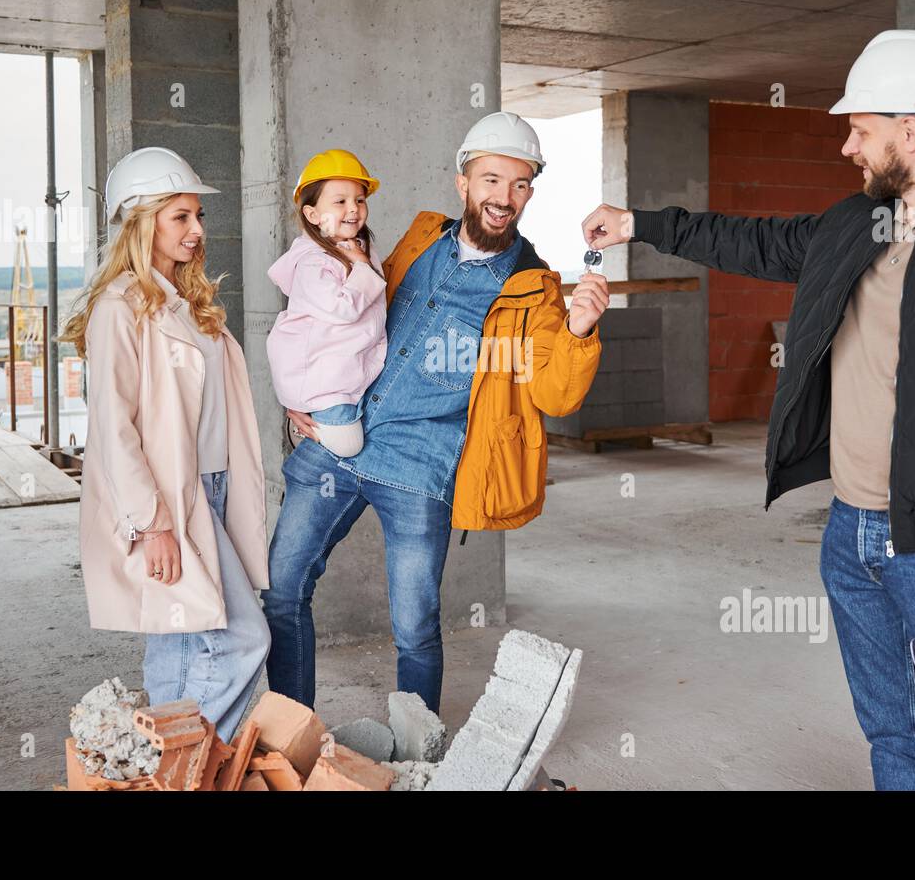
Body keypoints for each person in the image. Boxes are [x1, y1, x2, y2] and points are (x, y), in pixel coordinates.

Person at [581, 30, 915, 790]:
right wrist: (642, 225)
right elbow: (754, 242)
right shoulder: (862, 223)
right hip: (850, 530)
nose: (849, 147)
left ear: (910, 131)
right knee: (893, 736)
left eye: (861, 129)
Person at [264, 112, 609, 713]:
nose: (505, 198)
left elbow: (556, 394)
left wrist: (579, 330)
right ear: (464, 183)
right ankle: (290, 736)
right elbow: (341, 324)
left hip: (420, 468)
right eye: (492, 180)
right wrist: (306, 396)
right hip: (342, 438)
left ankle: (414, 754)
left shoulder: (534, 284)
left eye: (520, 184)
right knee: (282, 592)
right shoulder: (421, 238)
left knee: (416, 628)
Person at [63, 146, 272, 741]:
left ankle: (165, 769)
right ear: (141, 220)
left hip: (211, 486)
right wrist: (151, 521)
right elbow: (112, 427)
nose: (197, 230)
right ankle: (176, 762)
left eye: (197, 216)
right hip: (169, 501)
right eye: (180, 216)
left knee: (179, 643)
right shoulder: (117, 309)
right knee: (242, 638)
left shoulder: (185, 302)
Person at [266, 149, 387, 458]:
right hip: (325, 381)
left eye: (360, 199)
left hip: (349, 371)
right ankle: (306, 436)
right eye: (340, 201)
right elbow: (343, 308)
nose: (353, 209)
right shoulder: (313, 263)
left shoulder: (357, 247)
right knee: (349, 446)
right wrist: (361, 268)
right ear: (313, 215)